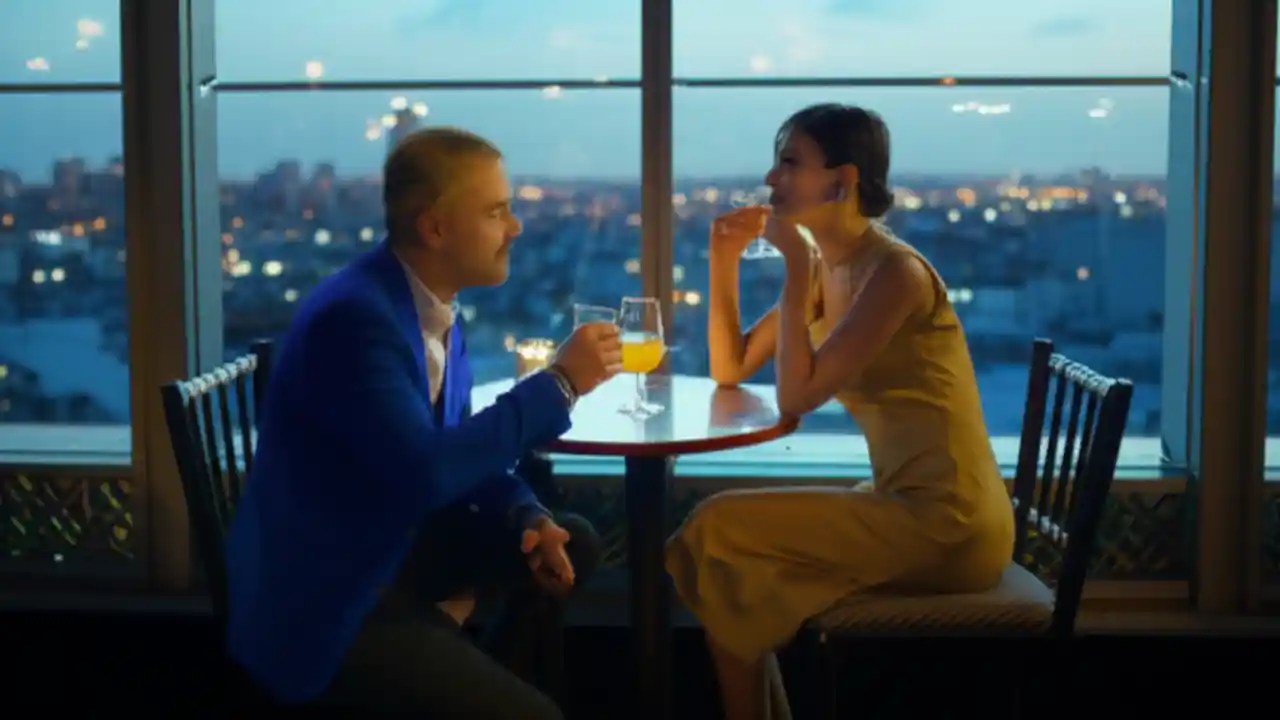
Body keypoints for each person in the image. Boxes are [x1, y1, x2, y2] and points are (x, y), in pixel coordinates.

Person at [223, 126, 622, 717]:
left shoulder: (427, 305)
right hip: (328, 596)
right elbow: (425, 474)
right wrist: (560, 383)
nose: (514, 228)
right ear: (434, 227)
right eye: (495, 211)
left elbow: (454, 449)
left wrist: (523, 511)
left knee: (572, 543)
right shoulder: (358, 320)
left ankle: (461, 672)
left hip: (386, 546)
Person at [665, 103, 1015, 720]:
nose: (771, 180)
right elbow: (731, 367)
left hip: (950, 523)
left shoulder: (895, 274)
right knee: (731, 565)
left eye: (789, 163)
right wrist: (723, 262)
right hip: (902, 503)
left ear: (842, 180)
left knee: (714, 528)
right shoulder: (834, 268)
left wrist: (796, 269)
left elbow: (796, 400)